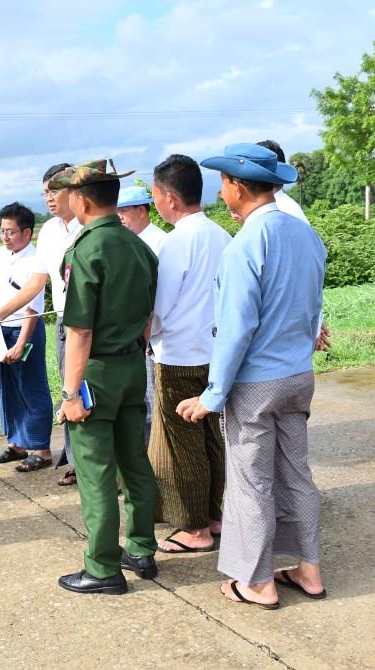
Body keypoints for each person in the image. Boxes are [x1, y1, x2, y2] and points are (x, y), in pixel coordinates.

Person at [179, 143, 327, 609]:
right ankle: (309, 570)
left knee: (250, 483)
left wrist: (213, 393)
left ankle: (257, 582)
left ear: (238, 186)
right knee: (296, 475)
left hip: (256, 383)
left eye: (223, 183)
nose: (221, 192)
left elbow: (237, 326)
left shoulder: (246, 244)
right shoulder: (307, 236)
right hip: (298, 374)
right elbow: (313, 305)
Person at [51, 159, 160, 595]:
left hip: (95, 372)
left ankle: (102, 567)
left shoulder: (85, 250)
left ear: (81, 199)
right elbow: (150, 316)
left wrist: (70, 391)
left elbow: (79, 329)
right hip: (134, 366)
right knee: (135, 459)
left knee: (96, 471)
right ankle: (142, 548)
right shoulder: (141, 247)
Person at [148, 154, 232, 554]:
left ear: (169, 197)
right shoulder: (223, 236)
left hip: (180, 356)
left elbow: (160, 307)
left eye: (154, 196)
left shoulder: (176, 241)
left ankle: (195, 528)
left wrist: (148, 338)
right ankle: (215, 516)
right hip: (218, 353)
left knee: (183, 444)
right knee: (213, 437)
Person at [0, 163, 83, 486]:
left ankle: (55, 451)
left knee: (69, 391)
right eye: (45, 192)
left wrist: (18, 336)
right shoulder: (52, 231)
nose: (49, 197)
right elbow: (38, 283)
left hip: (85, 321)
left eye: (55, 190)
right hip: (65, 321)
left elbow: (34, 298)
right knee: (66, 391)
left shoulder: (88, 226)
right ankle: (71, 459)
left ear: (75, 189)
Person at [0, 202, 54, 472]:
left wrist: (21, 342)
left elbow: (32, 308)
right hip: (1, 330)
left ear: (27, 233)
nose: (4, 237)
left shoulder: (35, 261)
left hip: (24, 330)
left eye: (10, 232)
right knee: (9, 388)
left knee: (31, 387)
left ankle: (42, 448)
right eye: (2, 231)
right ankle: (17, 443)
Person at [256, 139, 331, 351]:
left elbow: (305, 271)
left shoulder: (278, 212)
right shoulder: (285, 208)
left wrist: (314, 324)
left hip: (282, 330)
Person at [118, 184, 169, 445]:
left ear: (142, 210)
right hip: (134, 335)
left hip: (152, 335)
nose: (120, 218)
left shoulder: (159, 242)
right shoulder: (128, 241)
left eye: (124, 211)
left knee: (151, 402)